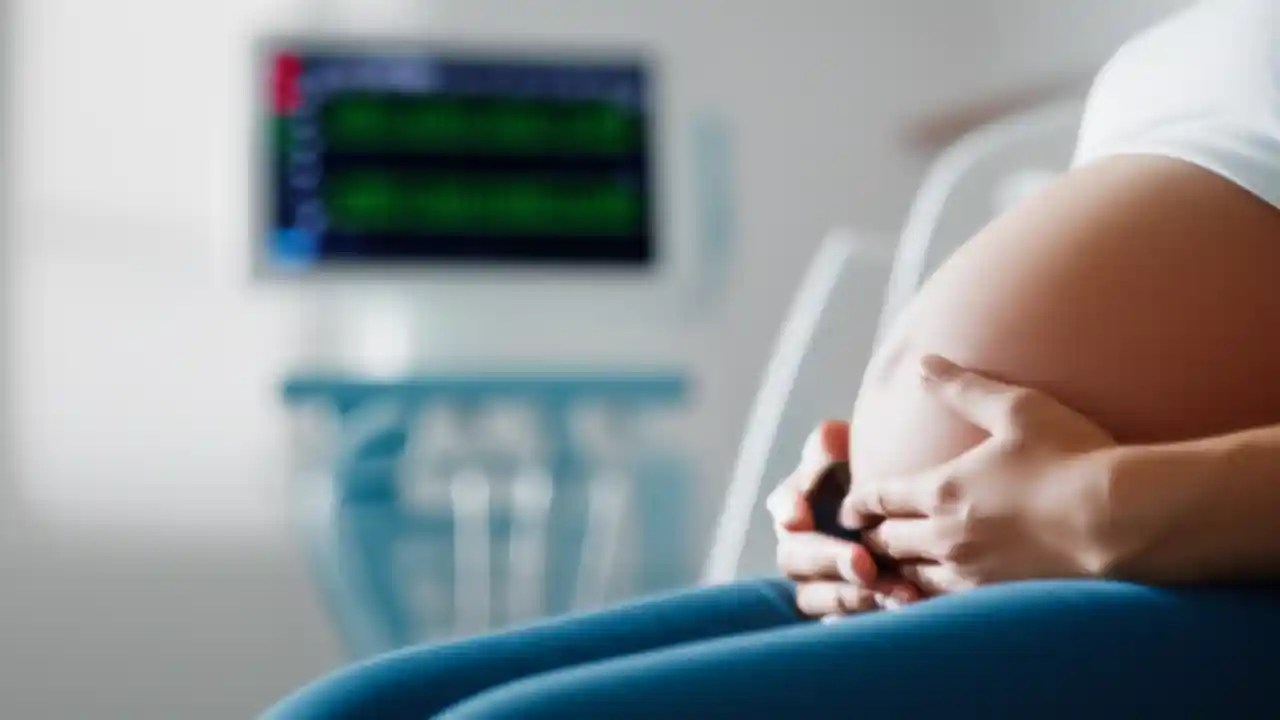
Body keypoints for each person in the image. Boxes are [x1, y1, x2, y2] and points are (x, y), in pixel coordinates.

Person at [267, 2, 1280, 717]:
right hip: (960, 570)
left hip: (1194, 574)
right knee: (348, 710)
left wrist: (1110, 504)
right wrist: (877, 494)